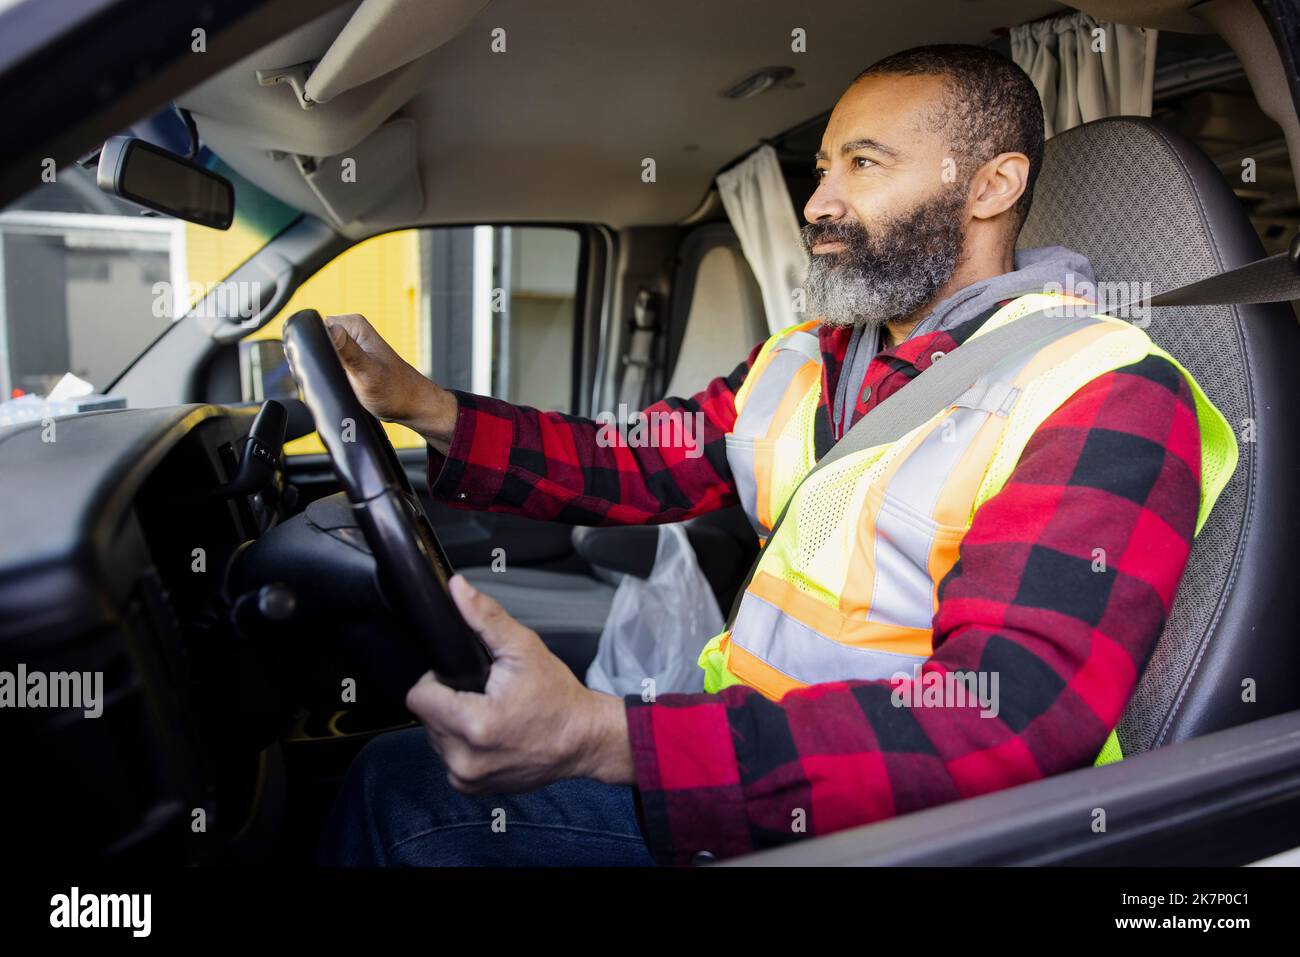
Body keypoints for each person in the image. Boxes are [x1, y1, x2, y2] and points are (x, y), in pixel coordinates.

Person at [316, 44, 1234, 866]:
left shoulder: (1101, 387)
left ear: (990, 187)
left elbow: (1011, 715)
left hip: (899, 829)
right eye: (825, 166)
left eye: (863, 165)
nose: (816, 201)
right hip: (748, 754)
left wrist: (606, 737)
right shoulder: (812, 355)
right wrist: (422, 406)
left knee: (401, 793)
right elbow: (633, 459)